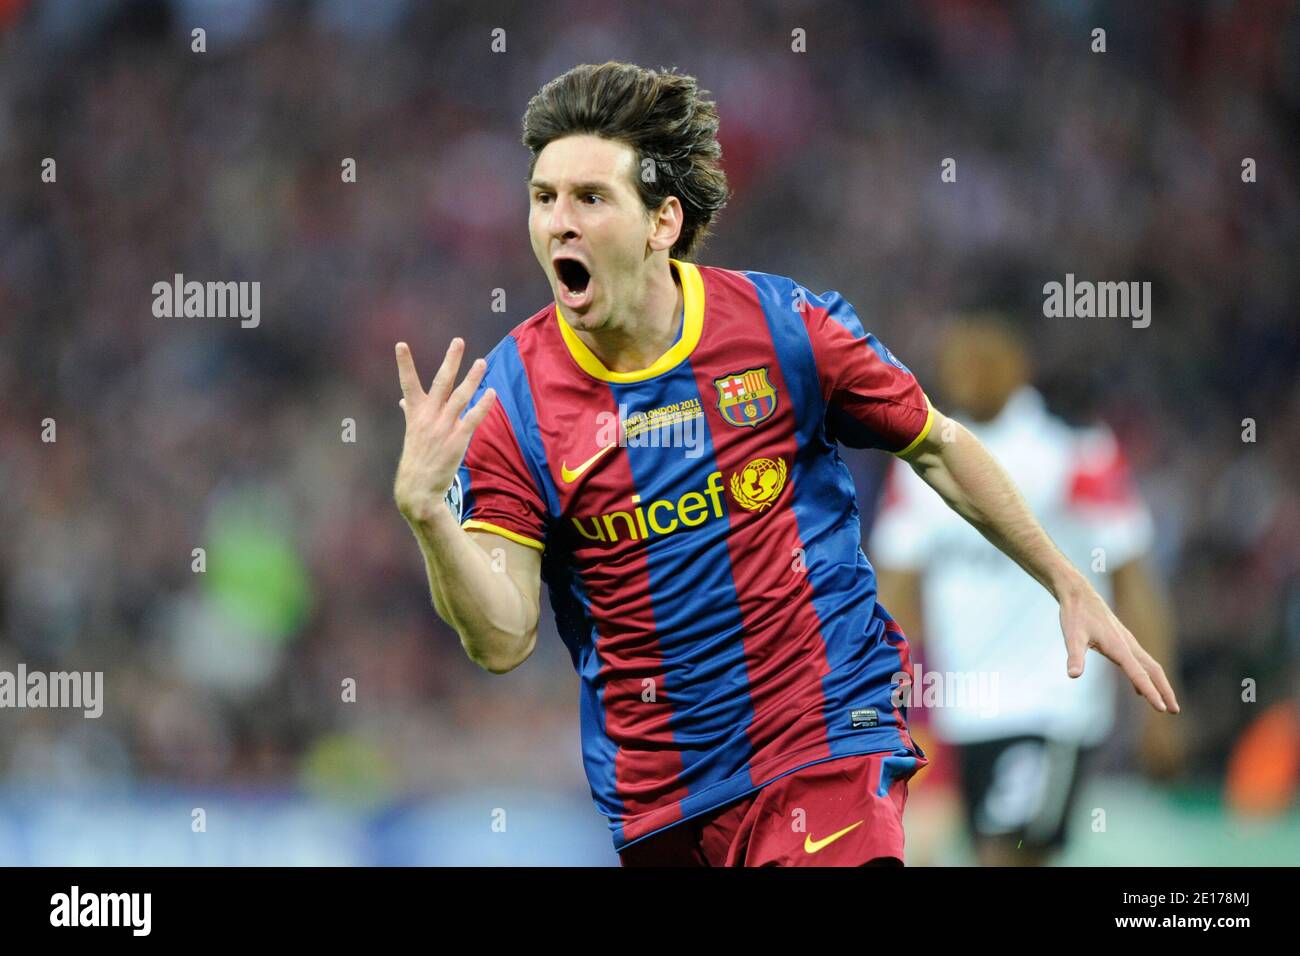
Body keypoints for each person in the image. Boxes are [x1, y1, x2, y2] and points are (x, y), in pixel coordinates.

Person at [390, 62, 1179, 866]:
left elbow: (936, 445)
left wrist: (1065, 579)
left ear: (662, 222)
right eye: (543, 197)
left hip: (823, 735)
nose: (559, 221)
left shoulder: (781, 327)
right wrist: (429, 519)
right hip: (663, 795)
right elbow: (502, 638)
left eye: (590, 198)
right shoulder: (511, 402)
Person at [870, 315, 1181, 865]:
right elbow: (891, 594)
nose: (970, 367)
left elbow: (1132, 576)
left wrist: (1158, 702)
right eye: (959, 352)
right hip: (963, 710)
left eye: (985, 351)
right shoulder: (920, 462)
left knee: (1006, 856)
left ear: (1020, 362)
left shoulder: (1076, 451)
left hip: (1051, 700)